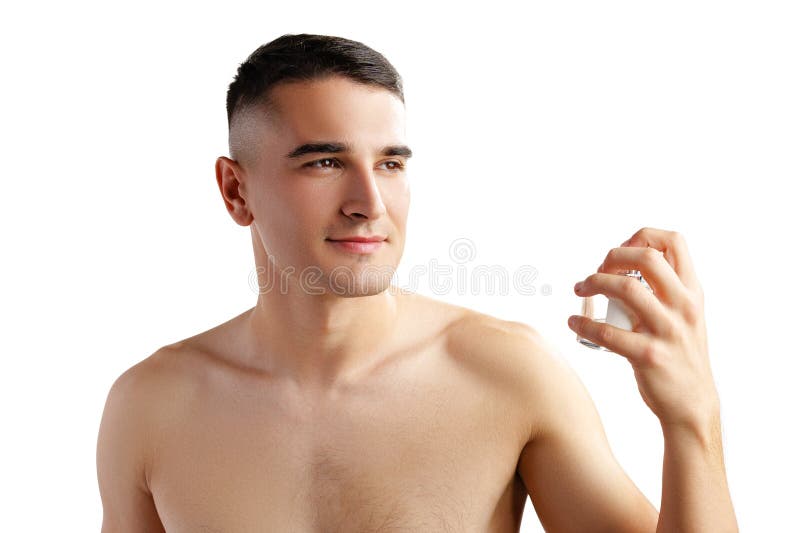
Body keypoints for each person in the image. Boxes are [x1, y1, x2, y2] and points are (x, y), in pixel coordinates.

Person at [96, 33, 738, 532]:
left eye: (391, 163)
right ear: (237, 190)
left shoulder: (506, 375)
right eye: (325, 161)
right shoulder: (151, 406)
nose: (369, 201)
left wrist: (693, 420)